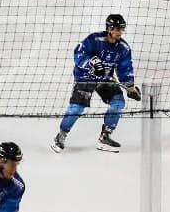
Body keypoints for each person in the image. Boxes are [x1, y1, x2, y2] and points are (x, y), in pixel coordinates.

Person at [53, 14, 138, 153]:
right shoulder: (94, 39)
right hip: (86, 77)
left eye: (121, 29)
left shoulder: (123, 48)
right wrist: (92, 62)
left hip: (105, 80)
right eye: (116, 28)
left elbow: (125, 68)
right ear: (109, 28)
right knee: (77, 108)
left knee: (118, 103)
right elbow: (78, 54)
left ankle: (105, 136)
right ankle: (61, 136)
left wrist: (130, 86)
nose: (119, 32)